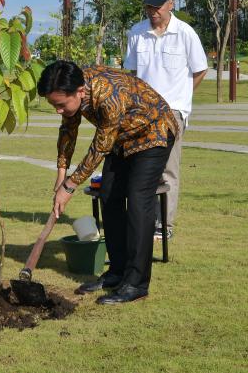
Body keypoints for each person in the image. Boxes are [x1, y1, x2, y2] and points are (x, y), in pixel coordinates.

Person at [39, 61, 177, 304]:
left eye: (60, 105)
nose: (58, 110)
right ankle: (117, 272)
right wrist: (61, 174)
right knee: (108, 194)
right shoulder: (74, 92)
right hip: (122, 138)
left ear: (80, 92)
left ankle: (136, 283)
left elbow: (100, 146)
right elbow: (68, 130)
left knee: (138, 199)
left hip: (153, 131)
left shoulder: (107, 94)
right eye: (54, 105)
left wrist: (69, 186)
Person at [124, 0, 208, 240]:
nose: (153, 11)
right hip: (143, 112)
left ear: (171, 3)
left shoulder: (185, 33)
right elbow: (133, 73)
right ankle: (142, 219)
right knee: (140, 167)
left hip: (172, 112)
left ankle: (165, 225)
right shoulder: (136, 33)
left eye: (158, 6)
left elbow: (200, 69)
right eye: (149, 7)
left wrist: (182, 98)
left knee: (167, 168)